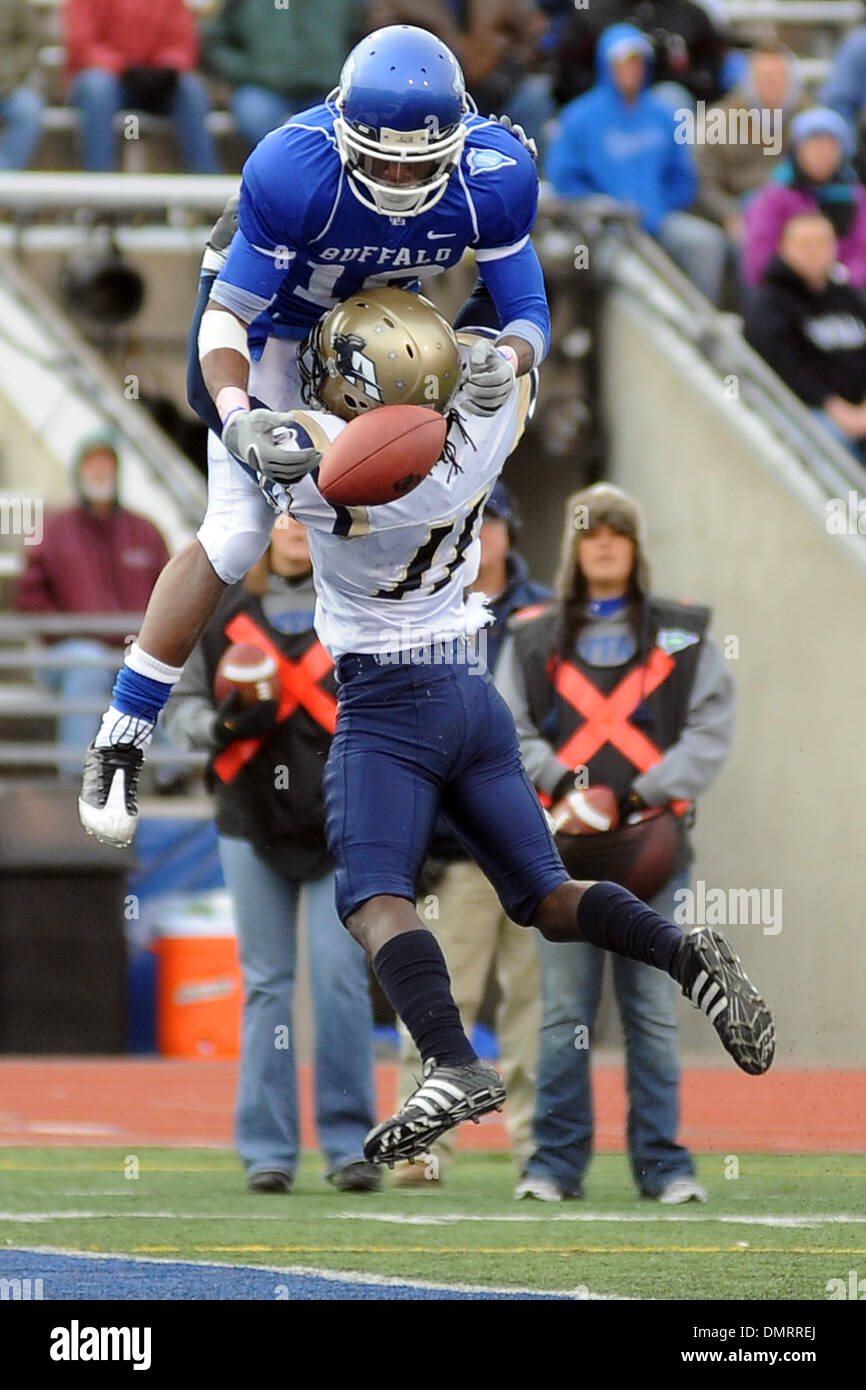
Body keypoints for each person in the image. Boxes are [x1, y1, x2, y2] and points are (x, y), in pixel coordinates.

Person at [78, 24, 550, 843]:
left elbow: (529, 311)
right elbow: (231, 314)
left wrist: (506, 360)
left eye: (417, 158)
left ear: (457, 138)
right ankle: (124, 732)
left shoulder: (495, 174)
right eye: (383, 156)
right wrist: (243, 417)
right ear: (343, 132)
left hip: (390, 334)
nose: (400, 175)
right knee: (236, 534)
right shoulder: (293, 170)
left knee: (448, 432)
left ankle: (412, 699)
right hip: (273, 331)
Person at [495, 484, 735, 1203]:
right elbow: (509, 729)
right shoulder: (534, 634)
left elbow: (710, 728)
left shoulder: (680, 631)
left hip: (656, 853)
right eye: (591, 532)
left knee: (653, 1014)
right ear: (574, 549)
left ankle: (665, 1166)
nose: (603, 542)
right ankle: (554, 1167)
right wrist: (566, 790)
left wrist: (636, 796)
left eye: (617, 532)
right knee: (565, 1014)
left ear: (635, 547)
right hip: (561, 860)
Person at [163, 516, 379, 1194]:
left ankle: (350, 1145)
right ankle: (268, 1150)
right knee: (265, 985)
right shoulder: (224, 608)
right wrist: (222, 726)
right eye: (277, 512)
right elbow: (182, 705)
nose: (291, 524)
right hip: (247, 816)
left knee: (341, 977)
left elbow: (388, 702)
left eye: (302, 512)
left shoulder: (359, 604)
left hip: (339, 817)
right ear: (260, 528)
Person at [393, 481, 551, 1187]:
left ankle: (538, 1153)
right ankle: (423, 1150)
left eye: (493, 525)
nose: (482, 538)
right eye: (472, 525)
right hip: (456, 846)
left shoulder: (548, 616)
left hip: (535, 836)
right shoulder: (427, 607)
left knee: (534, 1011)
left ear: (510, 534)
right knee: (436, 1001)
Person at [13, 435, 169, 773]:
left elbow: (171, 593)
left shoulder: (145, 532)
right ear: (79, 471)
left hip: (133, 651)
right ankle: (78, 775)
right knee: (89, 662)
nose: (100, 471)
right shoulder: (53, 530)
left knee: (159, 667)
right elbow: (30, 598)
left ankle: (175, 773)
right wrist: (76, 634)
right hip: (68, 653)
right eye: (92, 463)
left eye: (107, 463)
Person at [545, 24, 728, 304]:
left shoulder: (663, 115)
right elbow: (564, 178)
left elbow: (683, 175)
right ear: (607, 66)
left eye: (637, 63)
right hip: (605, 228)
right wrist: (601, 207)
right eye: (623, 64)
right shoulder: (579, 117)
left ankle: (699, 324)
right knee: (610, 267)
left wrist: (658, 205)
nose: (632, 71)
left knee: (705, 243)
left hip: (658, 219)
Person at [744, 212, 866, 466]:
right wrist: (836, 408)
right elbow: (784, 368)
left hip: (858, 407)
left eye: (822, 243)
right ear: (784, 247)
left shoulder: (849, 298)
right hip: (804, 411)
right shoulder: (770, 304)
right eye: (805, 244)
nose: (815, 252)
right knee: (829, 443)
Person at [365, 0, 554, 149]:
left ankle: (526, 178)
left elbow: (530, 34)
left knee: (533, 96)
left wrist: (507, 71)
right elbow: (385, 46)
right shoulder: (396, 3)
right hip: (425, 88)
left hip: (497, 80)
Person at [63, 0, 221, 173]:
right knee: (97, 87)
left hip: (156, 83)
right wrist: (124, 68)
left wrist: (166, 69)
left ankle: (204, 178)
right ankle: (99, 181)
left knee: (191, 88)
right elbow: (82, 44)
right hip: (108, 81)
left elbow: (182, 39)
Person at [202, 0, 363, 152]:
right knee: (258, 119)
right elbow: (216, 41)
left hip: (328, 91)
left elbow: (365, 41)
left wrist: (345, 74)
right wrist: (245, 70)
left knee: (344, 127)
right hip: (262, 89)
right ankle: (270, 174)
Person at [695, 40, 807, 249]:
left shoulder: (810, 121)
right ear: (749, 80)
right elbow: (704, 183)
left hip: (799, 215)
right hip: (740, 211)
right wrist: (730, 214)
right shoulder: (720, 121)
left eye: (779, 77)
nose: (772, 84)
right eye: (765, 78)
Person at [744, 108, 866, 290]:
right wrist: (806, 275)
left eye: (830, 145)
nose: (822, 153)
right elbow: (759, 259)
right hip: (786, 292)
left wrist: (842, 278)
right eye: (814, 144)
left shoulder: (854, 195)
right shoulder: (775, 196)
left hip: (845, 292)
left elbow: (862, 251)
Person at [550, 0, 731, 112]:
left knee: (671, 97)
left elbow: (712, 68)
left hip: (668, 102)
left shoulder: (690, 14)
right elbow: (568, 72)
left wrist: (681, 78)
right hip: (604, 102)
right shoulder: (593, 12)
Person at [0, 0, 45, 171]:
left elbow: (31, 39)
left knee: (28, 109)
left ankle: (3, 180)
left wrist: (11, 72)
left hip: (9, 85)